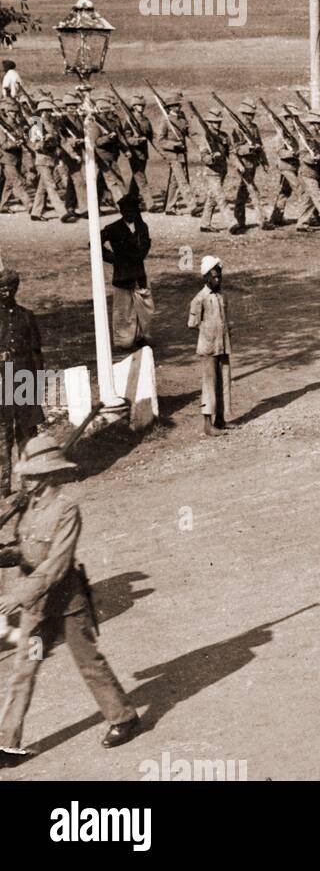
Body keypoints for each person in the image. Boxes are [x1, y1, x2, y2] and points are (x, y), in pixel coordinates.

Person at [0, 434, 141, 766]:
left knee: (88, 663)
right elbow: (27, 550)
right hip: (39, 609)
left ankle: (123, 718)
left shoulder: (67, 510)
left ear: (49, 475)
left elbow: (56, 565)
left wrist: (17, 596)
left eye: (32, 474)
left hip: (66, 606)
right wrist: (4, 555)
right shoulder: (29, 508)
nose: (25, 479)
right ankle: (7, 742)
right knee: (24, 669)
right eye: (25, 473)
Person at [0, 271, 44, 497]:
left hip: (24, 377)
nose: (5, 292)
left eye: (9, 288)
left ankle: (29, 478)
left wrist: (40, 382)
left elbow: (36, 352)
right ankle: (3, 484)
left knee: (27, 428)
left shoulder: (26, 316)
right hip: (2, 379)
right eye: (1, 288)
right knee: (3, 431)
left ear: (16, 289)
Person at [100, 189, 154, 352]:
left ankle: (141, 336)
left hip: (138, 272)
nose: (131, 214)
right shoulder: (113, 228)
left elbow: (146, 245)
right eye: (127, 211)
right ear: (122, 212)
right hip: (122, 273)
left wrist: (139, 255)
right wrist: (113, 258)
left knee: (144, 307)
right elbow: (94, 243)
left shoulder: (142, 227)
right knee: (123, 309)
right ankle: (124, 340)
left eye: (133, 211)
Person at [188, 255, 234, 437]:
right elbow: (192, 323)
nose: (218, 279)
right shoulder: (200, 299)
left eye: (219, 276)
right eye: (214, 277)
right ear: (206, 277)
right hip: (208, 347)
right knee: (209, 384)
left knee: (223, 381)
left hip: (223, 345)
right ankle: (207, 424)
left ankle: (220, 420)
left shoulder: (222, 296)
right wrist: (207, 331)